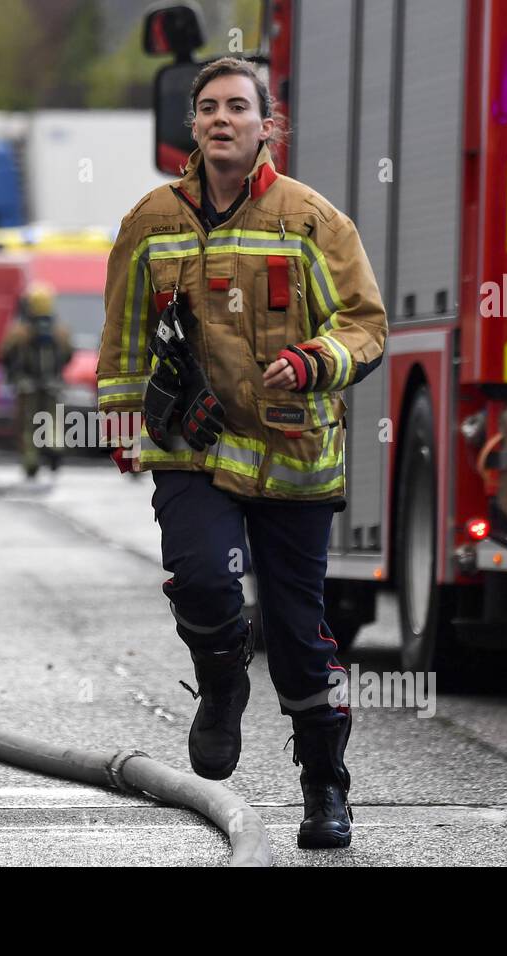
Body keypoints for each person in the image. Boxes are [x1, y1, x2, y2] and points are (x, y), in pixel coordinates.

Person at [96, 57, 387, 849]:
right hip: (194, 447)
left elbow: (365, 326)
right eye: (208, 108)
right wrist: (125, 421)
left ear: (268, 124)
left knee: (299, 637)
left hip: (292, 452)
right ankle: (222, 685)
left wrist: (311, 360)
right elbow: (123, 336)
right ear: (192, 125)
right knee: (201, 578)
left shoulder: (312, 220)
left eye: (238, 107)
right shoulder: (151, 221)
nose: (222, 118)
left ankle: (326, 788)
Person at [0, 280, 73, 478]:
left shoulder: (18, 331)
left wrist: (15, 378)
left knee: (29, 425)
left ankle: (31, 461)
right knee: (51, 420)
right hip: (50, 384)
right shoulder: (60, 331)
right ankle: (55, 451)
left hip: (28, 385)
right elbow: (68, 355)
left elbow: (5, 356)